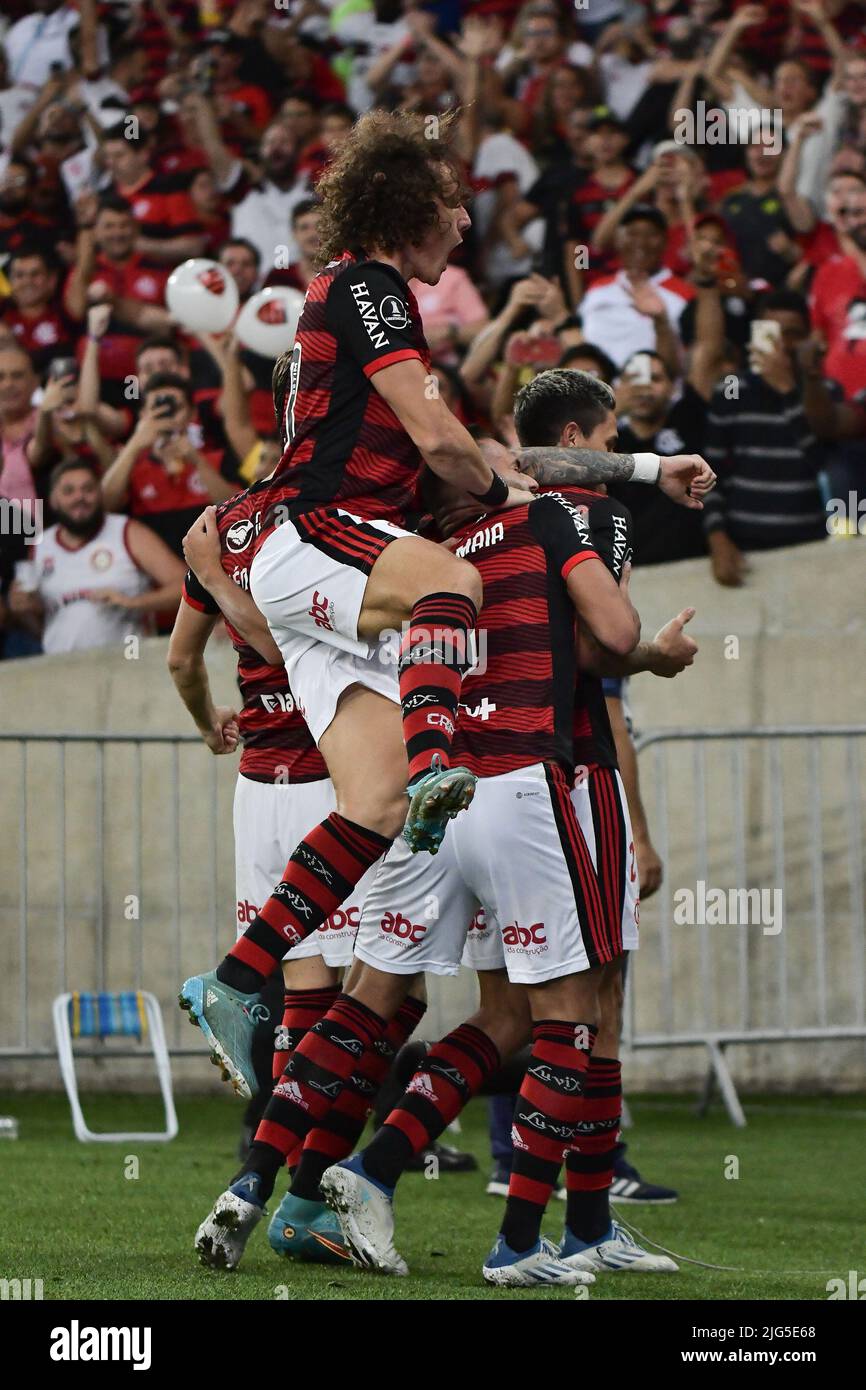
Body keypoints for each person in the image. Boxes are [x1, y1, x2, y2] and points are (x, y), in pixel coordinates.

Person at [177, 110, 715, 1106]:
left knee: (371, 807)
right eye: (452, 203)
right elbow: (442, 439)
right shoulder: (367, 287)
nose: (466, 222)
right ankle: (437, 766)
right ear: (405, 205)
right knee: (451, 583)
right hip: (318, 534)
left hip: (314, 568)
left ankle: (232, 980)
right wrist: (509, 501)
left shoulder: (366, 313)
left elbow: (500, 454)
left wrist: (640, 465)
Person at [8, 458, 184, 654]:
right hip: (62, 665)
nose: (79, 497)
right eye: (68, 491)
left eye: (88, 489)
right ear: (53, 500)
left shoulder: (127, 531)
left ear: (100, 494)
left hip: (129, 659)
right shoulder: (40, 546)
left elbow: (185, 585)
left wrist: (134, 603)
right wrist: (23, 609)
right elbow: (39, 622)